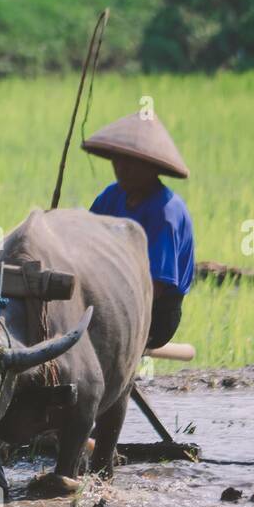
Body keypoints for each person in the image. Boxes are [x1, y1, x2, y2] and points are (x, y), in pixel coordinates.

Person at [82, 111, 194, 349]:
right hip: (106, 294)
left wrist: (102, 305)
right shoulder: (111, 196)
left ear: (151, 167)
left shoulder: (165, 212)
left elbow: (155, 287)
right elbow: (84, 242)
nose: (121, 168)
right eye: (117, 160)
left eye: (130, 162)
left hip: (153, 310)